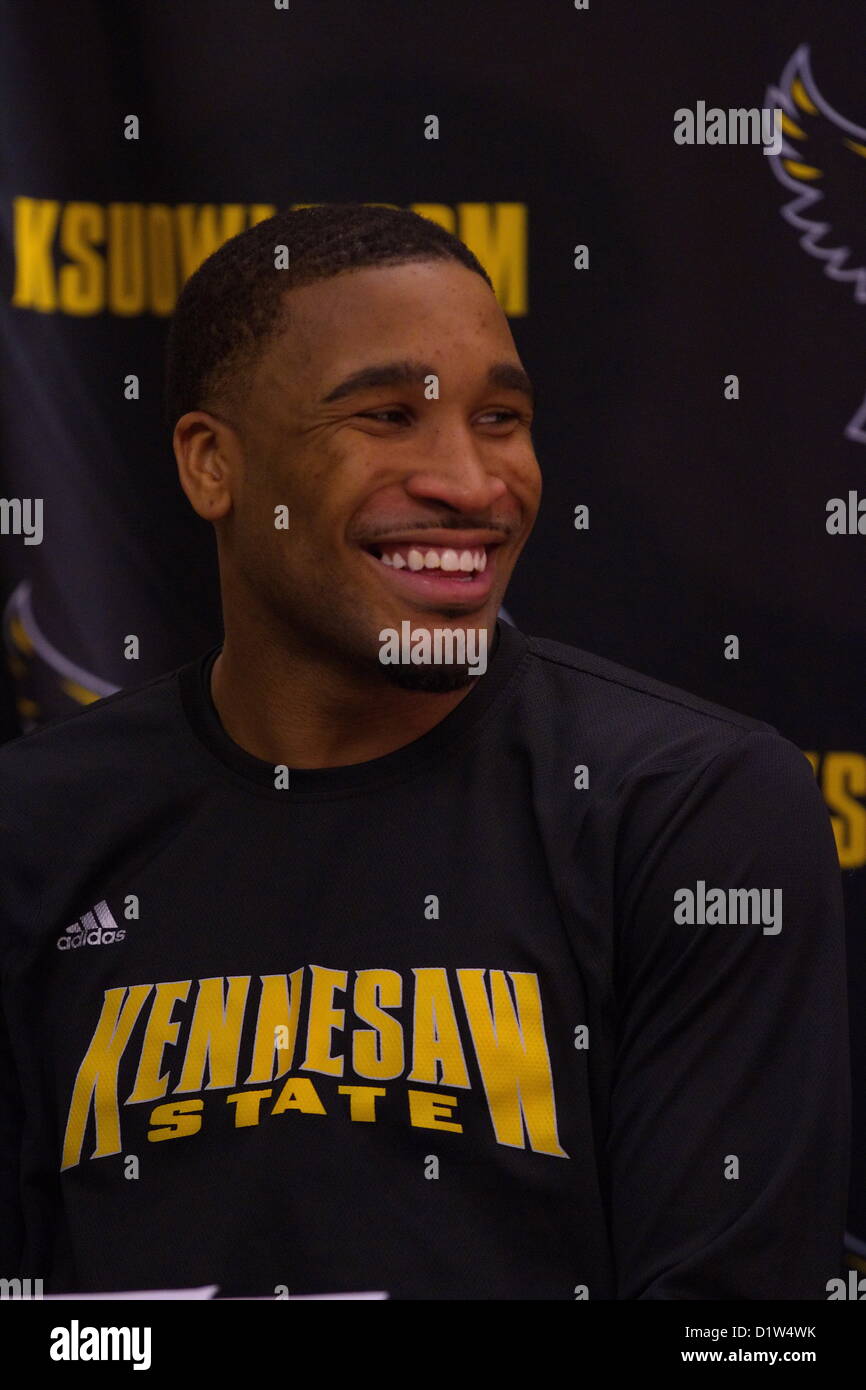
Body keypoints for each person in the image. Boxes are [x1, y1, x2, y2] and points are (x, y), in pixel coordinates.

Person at [0, 203, 850, 1300]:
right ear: (213, 465)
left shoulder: (688, 811)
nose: (469, 480)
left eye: (500, 418)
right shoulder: (34, 827)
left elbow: (736, 1326)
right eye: (387, 414)